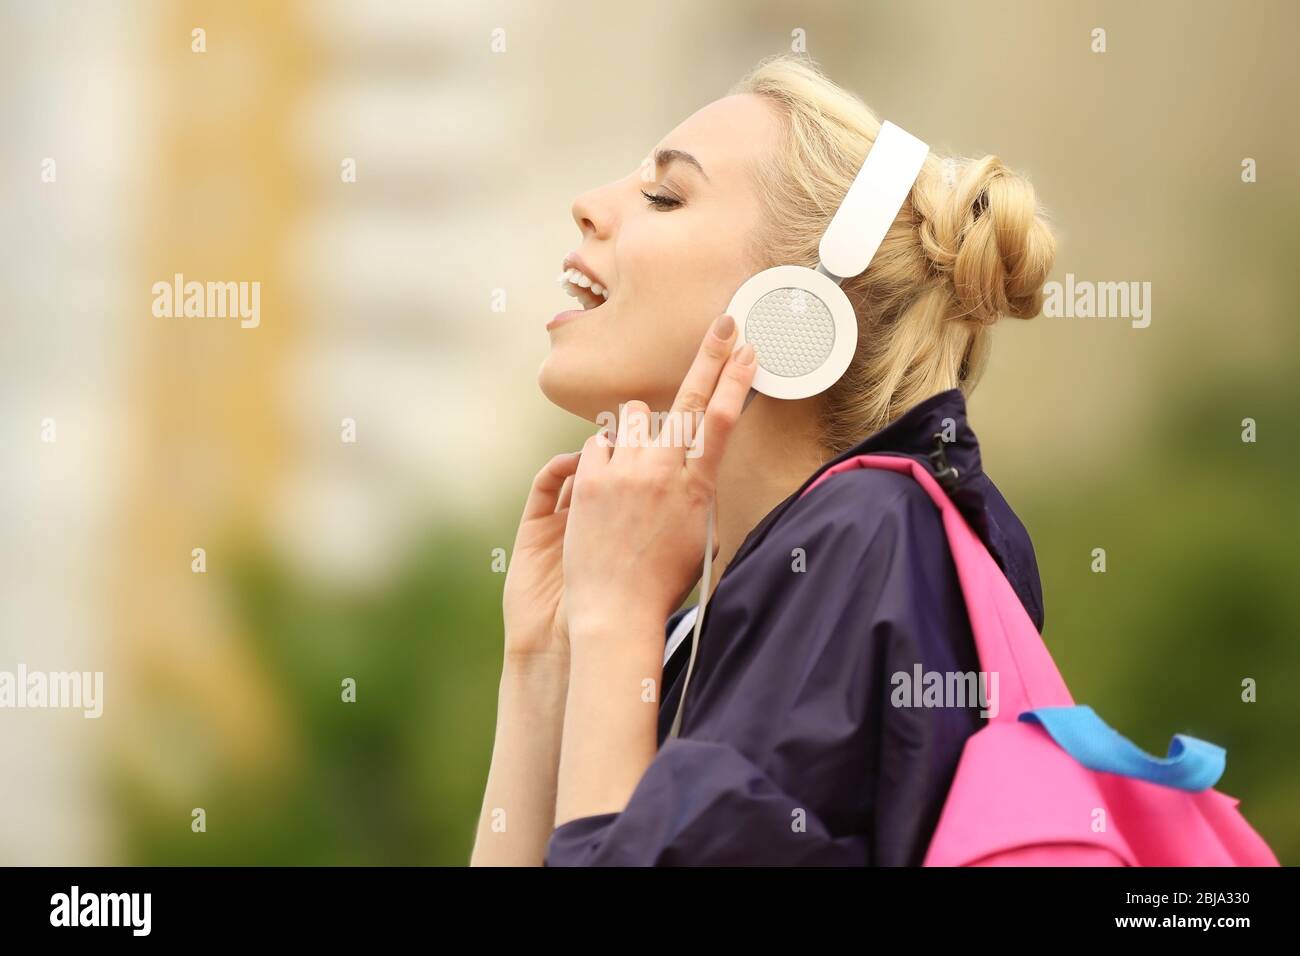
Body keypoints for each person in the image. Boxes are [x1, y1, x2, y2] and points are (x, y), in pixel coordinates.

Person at [470, 53, 1056, 866]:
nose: (589, 207)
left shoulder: (876, 543)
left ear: (797, 306)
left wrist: (617, 617)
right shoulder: (710, 621)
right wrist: (546, 661)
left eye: (664, 195)